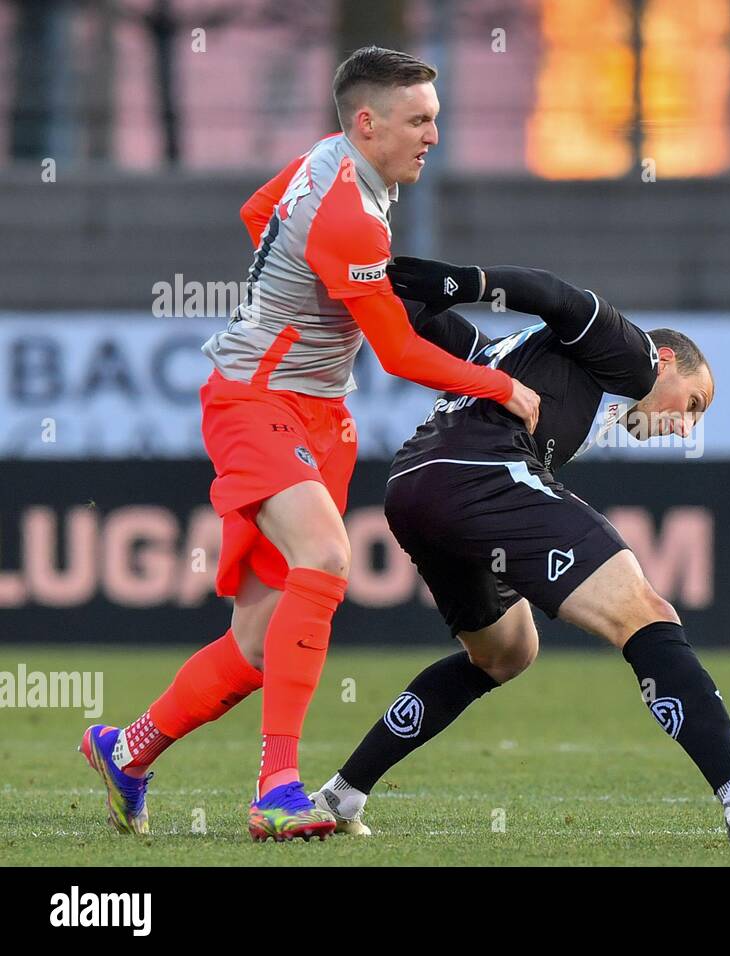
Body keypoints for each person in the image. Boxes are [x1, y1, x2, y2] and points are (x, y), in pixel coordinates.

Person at [79, 47, 540, 843]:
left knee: (257, 643)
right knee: (326, 557)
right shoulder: (349, 213)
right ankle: (277, 791)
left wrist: (295, 290)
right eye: (420, 120)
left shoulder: (328, 168)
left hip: (319, 412)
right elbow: (397, 355)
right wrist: (500, 385)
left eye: (436, 117)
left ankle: (128, 750)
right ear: (368, 122)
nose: (436, 134)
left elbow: (259, 215)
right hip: (256, 401)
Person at [310, 257, 730, 845]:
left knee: (505, 654)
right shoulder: (637, 358)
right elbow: (559, 295)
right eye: (693, 404)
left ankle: (341, 795)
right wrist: (461, 281)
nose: (685, 426)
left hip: (413, 488)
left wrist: (374, 285)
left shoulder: (509, 352)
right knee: (648, 615)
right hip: (479, 474)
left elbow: (424, 325)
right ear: (670, 361)